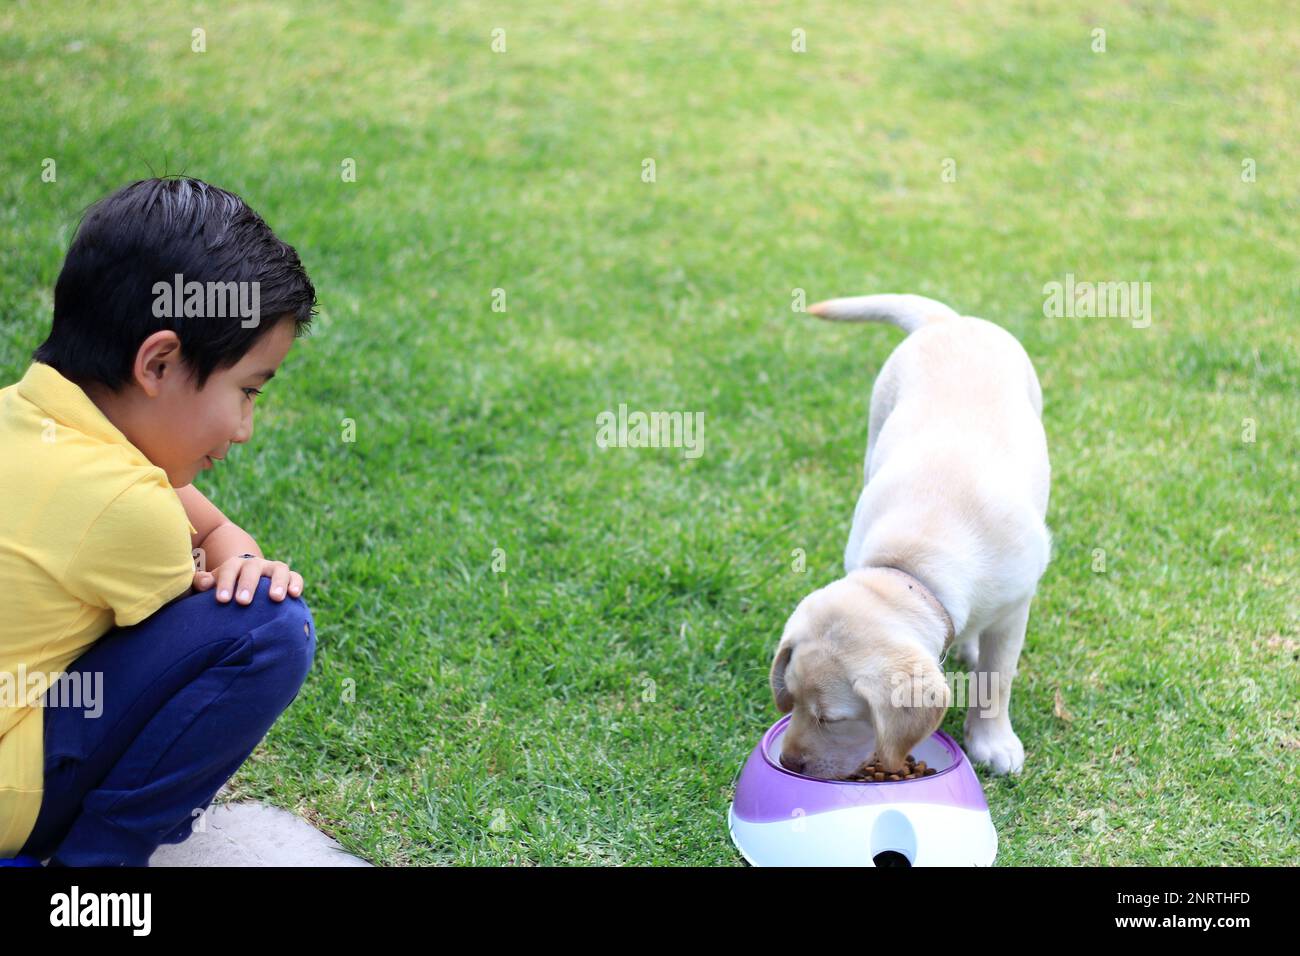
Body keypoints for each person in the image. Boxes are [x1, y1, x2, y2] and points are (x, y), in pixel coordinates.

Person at [0, 177, 318, 866]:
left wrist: (226, 543)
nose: (244, 430)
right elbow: (212, 633)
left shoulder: (26, 416)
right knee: (270, 625)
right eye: (246, 392)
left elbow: (198, 522)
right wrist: (235, 566)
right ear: (160, 361)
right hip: (8, 799)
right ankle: (95, 877)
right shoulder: (128, 509)